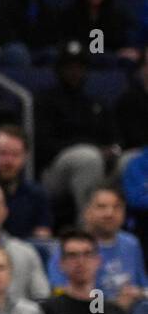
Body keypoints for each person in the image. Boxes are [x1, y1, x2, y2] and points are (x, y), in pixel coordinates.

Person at [35, 42, 120, 220]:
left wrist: (113, 150)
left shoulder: (95, 102)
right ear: (59, 69)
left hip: (100, 163)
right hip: (55, 171)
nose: (75, 72)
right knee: (87, 158)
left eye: (79, 67)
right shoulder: (45, 101)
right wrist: (92, 148)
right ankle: (90, 229)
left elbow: (114, 137)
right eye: (69, 67)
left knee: (132, 162)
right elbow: (44, 145)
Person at [47, 186, 147, 311]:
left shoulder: (131, 244)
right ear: (86, 212)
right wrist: (115, 308)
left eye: (117, 207)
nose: (109, 213)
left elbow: (143, 287)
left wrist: (138, 293)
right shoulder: (72, 247)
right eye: (101, 207)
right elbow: (63, 298)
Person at [60, 0, 138, 65]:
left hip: (112, 69)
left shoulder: (120, 16)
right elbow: (68, 46)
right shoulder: (69, 16)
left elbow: (127, 46)